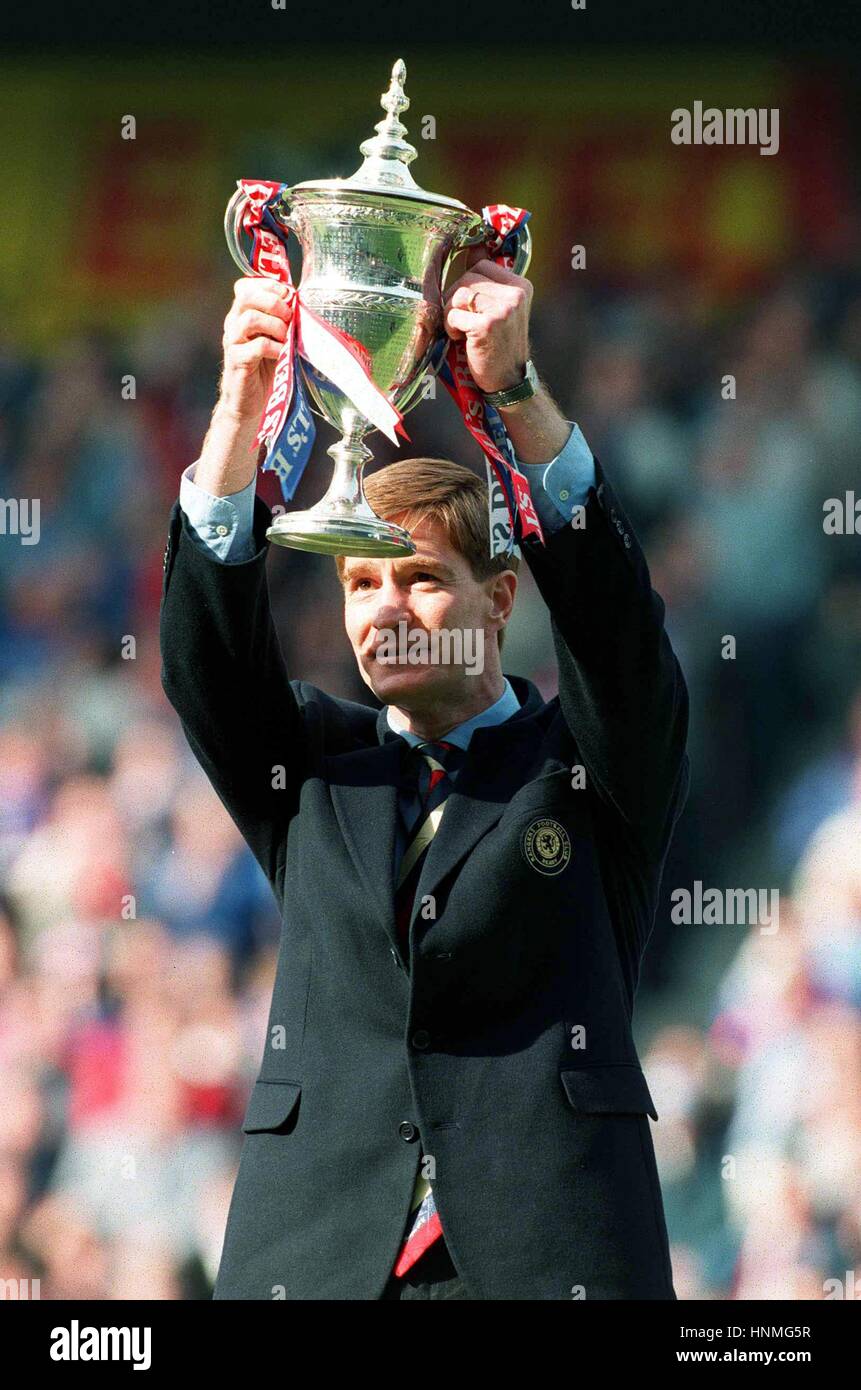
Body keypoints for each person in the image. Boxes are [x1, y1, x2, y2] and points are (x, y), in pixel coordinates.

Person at [159, 257, 690, 1300]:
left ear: (499, 600)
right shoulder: (311, 769)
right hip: (313, 1260)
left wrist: (516, 392)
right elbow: (205, 662)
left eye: (421, 579)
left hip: (546, 1262)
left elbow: (620, 637)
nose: (385, 609)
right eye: (361, 582)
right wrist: (238, 415)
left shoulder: (589, 771)